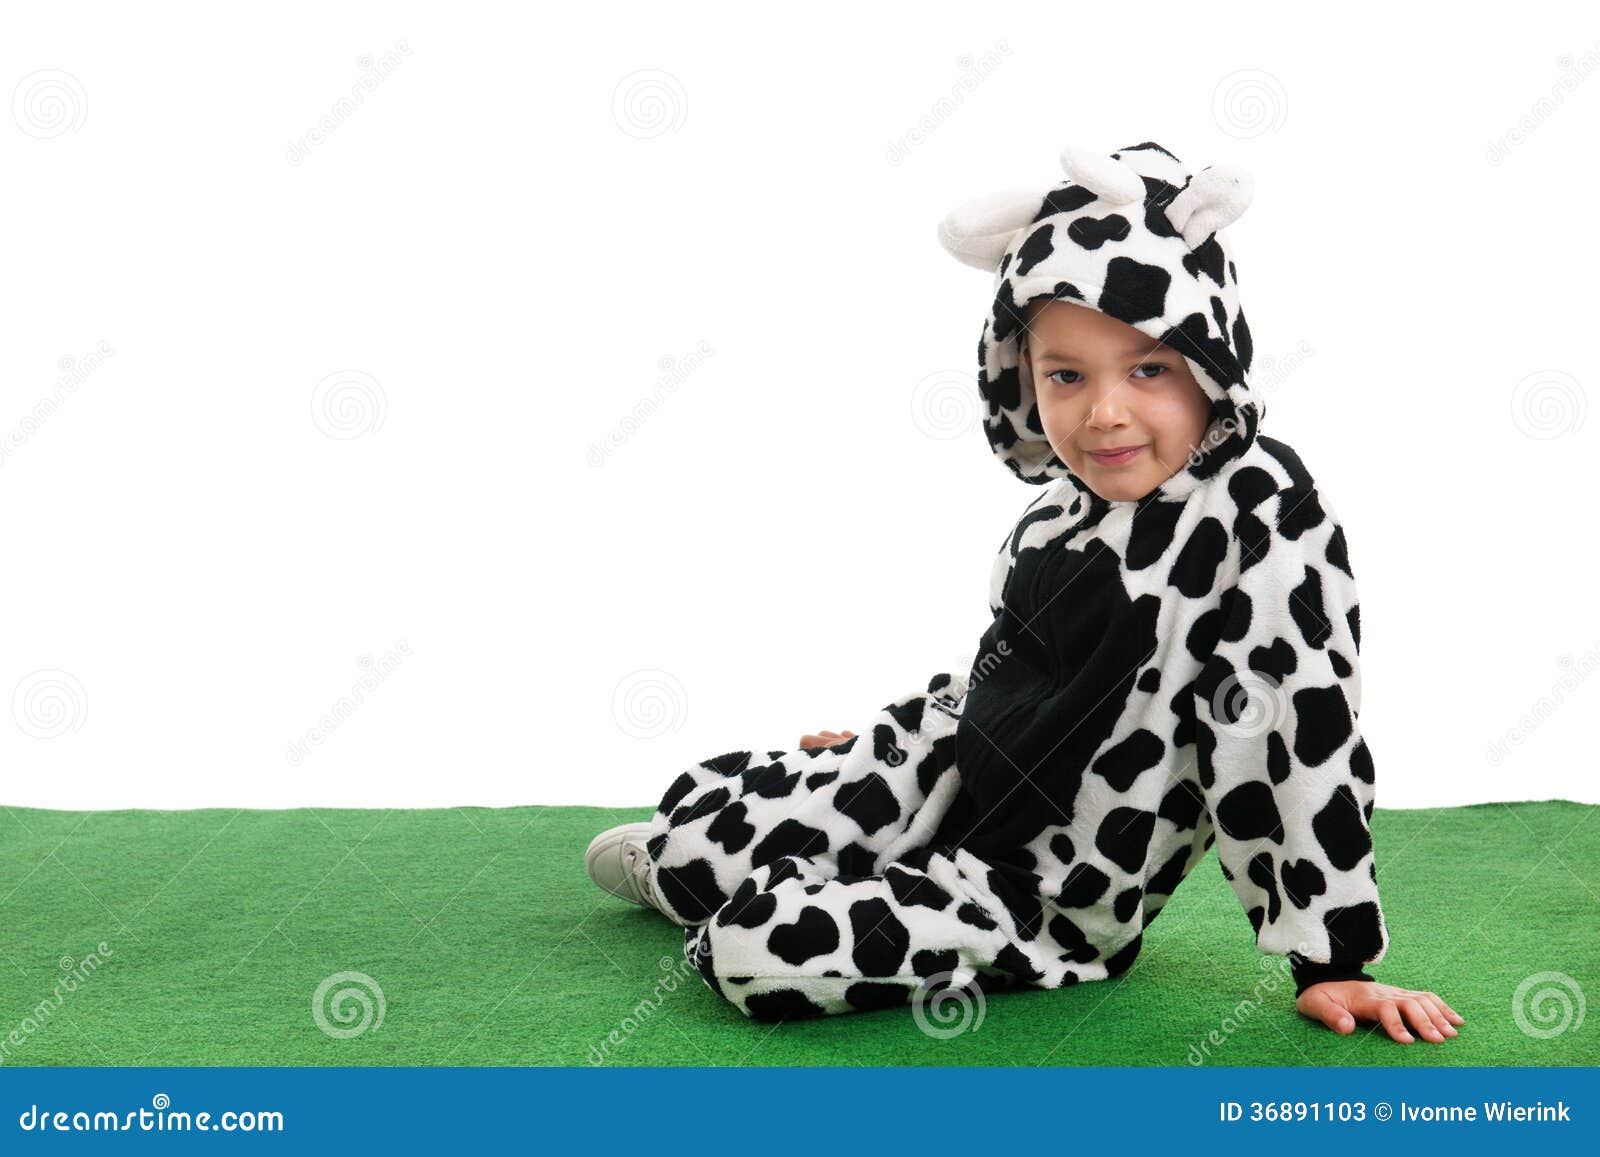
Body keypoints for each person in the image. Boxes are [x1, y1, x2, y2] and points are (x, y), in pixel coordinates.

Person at [585, 140, 1462, 1045]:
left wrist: (1334, 960)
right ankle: (701, 860)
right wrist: (898, 741)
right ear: (1021, 376)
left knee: (754, 951)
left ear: (1211, 358)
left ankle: (818, 890)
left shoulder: (1261, 514)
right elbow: (1014, 673)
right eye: (1067, 376)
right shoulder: (1059, 515)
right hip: (960, 770)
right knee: (707, 833)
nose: (1105, 412)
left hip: (1042, 889)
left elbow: (1291, 733)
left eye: (1150, 368)